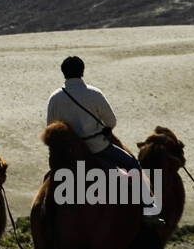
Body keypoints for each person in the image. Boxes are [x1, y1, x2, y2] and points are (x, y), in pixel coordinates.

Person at [46, 57, 161, 218]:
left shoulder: (55, 98)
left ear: (63, 73)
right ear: (82, 71)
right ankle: (149, 208)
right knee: (132, 164)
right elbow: (111, 121)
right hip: (98, 148)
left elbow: (50, 128)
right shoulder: (94, 94)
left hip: (69, 154)